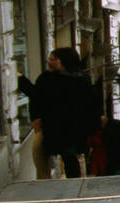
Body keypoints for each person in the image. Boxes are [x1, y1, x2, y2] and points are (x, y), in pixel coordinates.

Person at [18, 48, 96, 179]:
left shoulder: (79, 79)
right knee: (40, 153)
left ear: (63, 61)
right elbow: (36, 97)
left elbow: (89, 104)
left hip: (70, 128)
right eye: (49, 58)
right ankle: (46, 184)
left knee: (70, 158)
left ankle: (76, 187)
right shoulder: (48, 78)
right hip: (52, 126)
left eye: (53, 59)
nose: (49, 62)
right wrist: (36, 118)